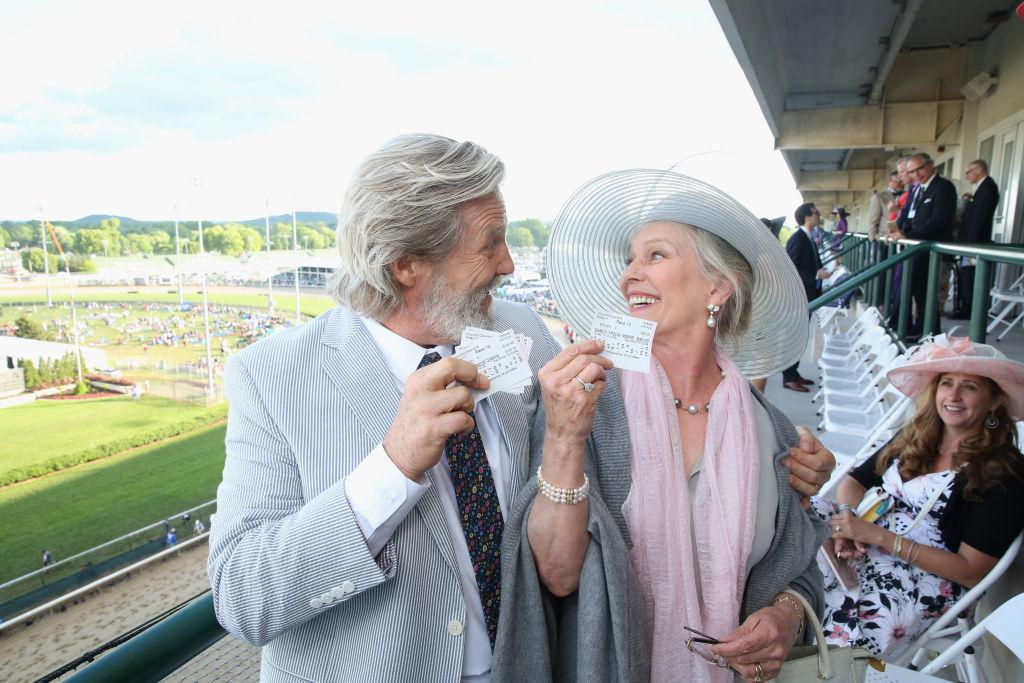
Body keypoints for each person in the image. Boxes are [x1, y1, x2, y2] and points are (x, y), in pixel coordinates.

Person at [208, 137, 835, 682]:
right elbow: (244, 598)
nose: (509, 265)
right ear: (405, 264)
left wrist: (785, 466)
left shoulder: (517, 329)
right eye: (492, 244)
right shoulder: (274, 376)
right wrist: (392, 468)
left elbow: (638, 407)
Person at [496, 171, 830, 682]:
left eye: (655, 255)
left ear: (716, 287)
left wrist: (785, 613)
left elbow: (798, 561)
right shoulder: (589, 404)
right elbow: (557, 577)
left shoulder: (775, 432)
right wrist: (564, 438)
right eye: (630, 258)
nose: (630, 273)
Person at [815, 335, 1024, 659]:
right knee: (798, 527)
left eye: (969, 386)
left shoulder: (1004, 473)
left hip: (923, 578)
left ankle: (818, 666)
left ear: (994, 399)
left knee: (842, 610)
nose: (953, 396)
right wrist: (848, 521)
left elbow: (970, 570)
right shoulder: (919, 436)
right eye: (946, 383)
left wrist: (880, 537)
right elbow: (855, 481)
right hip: (865, 541)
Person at [891, 153, 957, 338]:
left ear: (931, 165)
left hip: (934, 252)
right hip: (918, 251)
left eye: (919, 169)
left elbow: (939, 220)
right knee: (919, 293)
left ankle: (930, 334)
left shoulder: (944, 187)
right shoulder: (916, 189)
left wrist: (908, 234)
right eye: (912, 171)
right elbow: (911, 217)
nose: (916, 174)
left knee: (929, 296)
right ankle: (919, 331)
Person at [782, 202, 828, 392]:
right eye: (816, 213)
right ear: (808, 217)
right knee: (794, 337)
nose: (819, 215)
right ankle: (788, 377)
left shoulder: (807, 237)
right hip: (798, 298)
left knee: (800, 337)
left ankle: (794, 373)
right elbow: (790, 268)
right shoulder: (798, 238)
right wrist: (816, 275)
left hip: (807, 296)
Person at [952, 160, 1000, 319]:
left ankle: (969, 310)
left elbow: (979, 218)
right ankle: (966, 307)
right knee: (967, 275)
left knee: (971, 277)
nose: (966, 176)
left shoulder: (988, 188)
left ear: (979, 170)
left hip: (975, 241)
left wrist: (969, 243)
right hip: (971, 240)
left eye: (968, 172)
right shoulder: (982, 188)